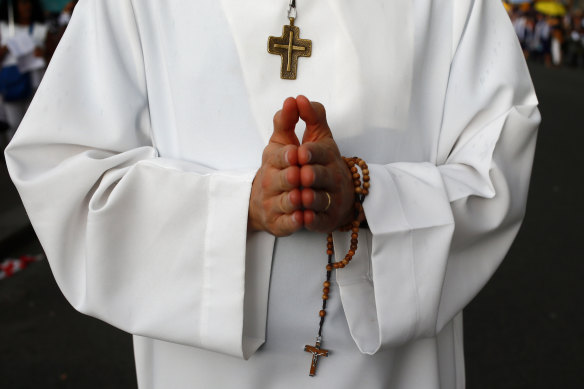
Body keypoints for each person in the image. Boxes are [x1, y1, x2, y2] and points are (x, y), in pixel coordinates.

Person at [5, 0, 539, 388]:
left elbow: (495, 161)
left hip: (390, 372)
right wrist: (242, 208)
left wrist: (366, 193)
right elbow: (66, 171)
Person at [0, 0, 47, 139]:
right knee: (14, 125)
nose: (28, 6)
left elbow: (55, 56)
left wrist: (43, 54)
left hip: (35, 84)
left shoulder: (40, 28)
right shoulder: (4, 28)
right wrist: (5, 48)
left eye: (29, 2)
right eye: (23, 3)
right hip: (11, 82)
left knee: (35, 124)